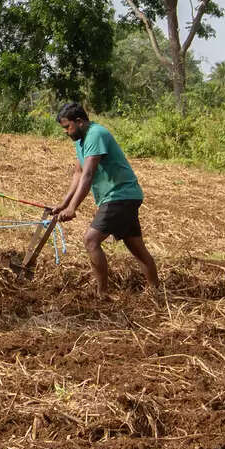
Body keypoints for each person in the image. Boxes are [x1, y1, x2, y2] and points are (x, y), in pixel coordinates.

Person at [47, 101, 162, 303]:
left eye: (67, 127)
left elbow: (89, 174)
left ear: (79, 121)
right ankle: (156, 292)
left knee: (91, 240)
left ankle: (102, 294)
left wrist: (74, 208)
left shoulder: (96, 135)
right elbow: (79, 172)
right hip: (123, 195)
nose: (66, 132)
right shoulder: (80, 139)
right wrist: (64, 204)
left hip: (120, 195)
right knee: (135, 246)